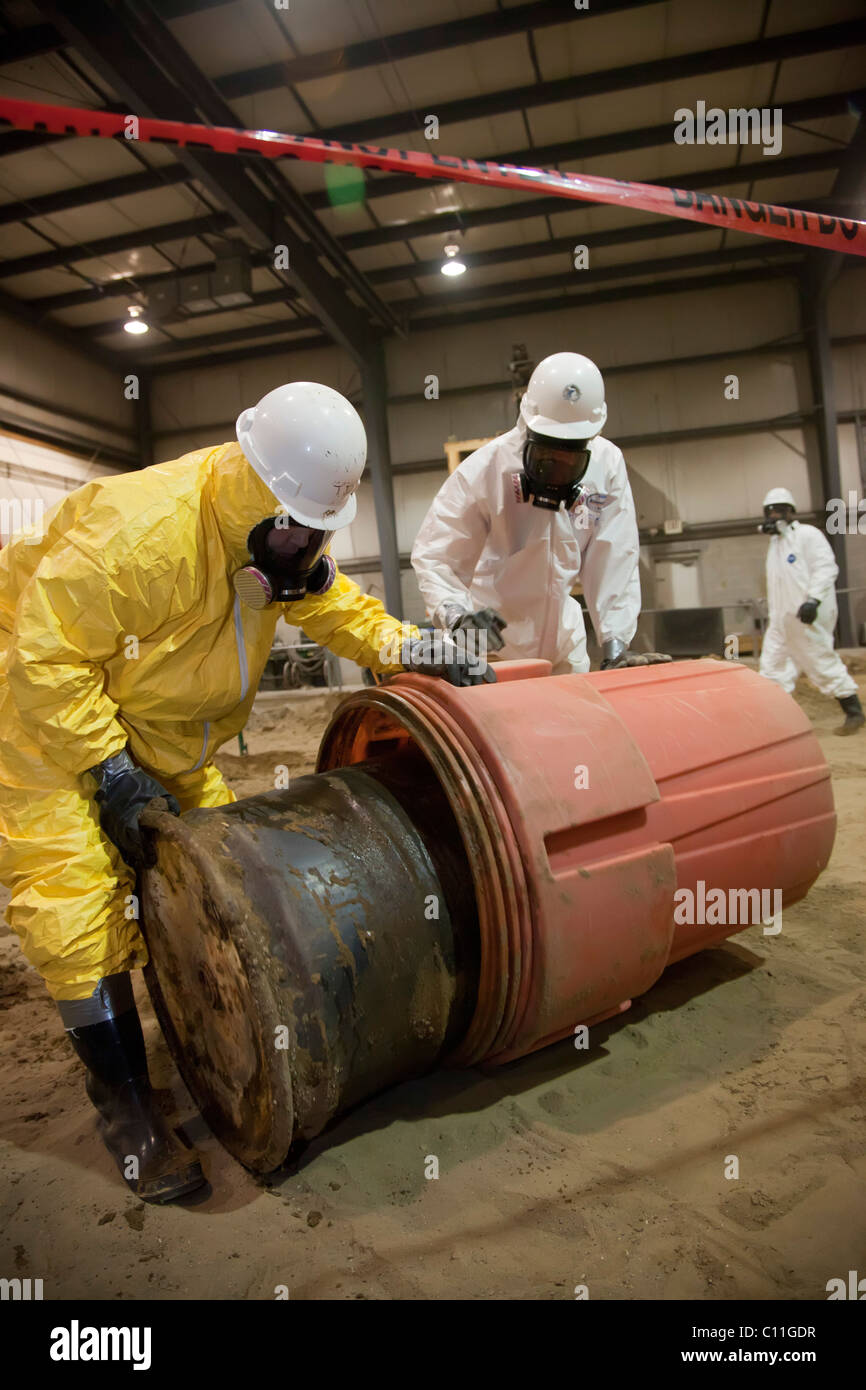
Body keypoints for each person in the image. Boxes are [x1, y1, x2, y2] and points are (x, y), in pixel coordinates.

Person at [0, 381, 487, 1203]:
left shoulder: (278, 543)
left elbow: (333, 605)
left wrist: (419, 648)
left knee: (225, 877)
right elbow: (45, 659)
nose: (305, 545)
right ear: (261, 493)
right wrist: (110, 772)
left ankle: (216, 1023)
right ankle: (124, 1103)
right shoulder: (142, 534)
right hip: (49, 724)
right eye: (296, 528)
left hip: (168, 732)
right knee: (75, 903)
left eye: (316, 532)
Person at [410, 351, 670, 674]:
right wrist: (457, 617)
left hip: (563, 647)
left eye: (570, 463)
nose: (556, 476)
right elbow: (437, 557)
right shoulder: (486, 470)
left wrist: (616, 646)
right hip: (490, 650)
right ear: (527, 431)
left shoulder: (607, 466)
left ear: (589, 443)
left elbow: (614, 558)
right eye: (546, 458)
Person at [757, 487, 864, 735]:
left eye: (781, 510)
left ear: (790, 512)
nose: (775, 515)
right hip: (780, 619)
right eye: (771, 511)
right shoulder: (775, 543)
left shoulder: (807, 535)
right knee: (771, 667)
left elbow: (826, 568)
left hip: (804, 616)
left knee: (820, 661)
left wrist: (813, 600)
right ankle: (779, 721)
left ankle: (854, 712)